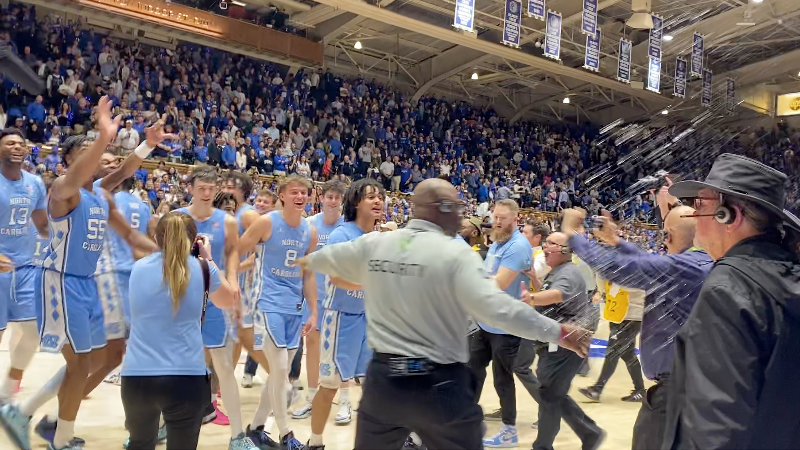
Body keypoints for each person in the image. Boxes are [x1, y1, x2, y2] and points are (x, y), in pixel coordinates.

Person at [293, 178, 590, 450]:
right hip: (438, 384)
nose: (462, 213)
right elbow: (499, 309)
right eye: (456, 205)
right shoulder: (454, 253)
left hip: (384, 383)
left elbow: (323, 261)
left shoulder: (377, 243)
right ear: (442, 209)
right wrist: (558, 332)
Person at [1, 97, 158, 450]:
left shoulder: (101, 195)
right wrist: (103, 136)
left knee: (99, 358)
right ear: (72, 160)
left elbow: (132, 234)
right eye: (88, 152)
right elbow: (79, 177)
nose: (99, 158)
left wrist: (176, 255)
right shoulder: (62, 190)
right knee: (80, 363)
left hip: (87, 286)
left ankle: (49, 427)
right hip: (59, 282)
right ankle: (58, 436)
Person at [663, 153, 800, 449]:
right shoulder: (785, 277)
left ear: (729, 216)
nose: (692, 213)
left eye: (700, 204)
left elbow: (716, 429)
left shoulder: (727, 290)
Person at [560, 203, 713, 450]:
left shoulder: (685, 268)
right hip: (692, 387)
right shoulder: (698, 264)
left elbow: (618, 268)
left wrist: (573, 235)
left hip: (677, 393)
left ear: (668, 235)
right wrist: (617, 242)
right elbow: (650, 262)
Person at [122, 212, 238, 450]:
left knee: (140, 443)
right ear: (195, 240)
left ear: (156, 238)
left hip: (136, 376)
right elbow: (228, 300)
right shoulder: (204, 270)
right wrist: (209, 259)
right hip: (186, 377)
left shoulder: (138, 268)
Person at [176, 166, 256, 449]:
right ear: (191, 188)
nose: (207, 192)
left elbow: (233, 252)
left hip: (215, 300)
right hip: (183, 301)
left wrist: (233, 281)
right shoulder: (176, 218)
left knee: (223, 368)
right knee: (176, 368)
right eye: (202, 187)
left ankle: (238, 437)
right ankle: (164, 425)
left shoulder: (227, 221)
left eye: (212, 187)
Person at [237, 174, 318, 450]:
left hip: (294, 309)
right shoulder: (267, 222)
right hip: (268, 304)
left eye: (304, 192)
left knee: (279, 374)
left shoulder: (309, 230)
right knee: (281, 371)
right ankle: (287, 435)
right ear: (282, 195)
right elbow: (236, 249)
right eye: (294, 191)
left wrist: (314, 312)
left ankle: (257, 428)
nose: (300, 196)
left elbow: (307, 275)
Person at [308, 178, 383, 449]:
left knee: (373, 387)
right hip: (340, 318)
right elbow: (338, 278)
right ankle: (315, 442)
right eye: (370, 196)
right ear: (355, 202)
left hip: (369, 319)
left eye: (380, 197)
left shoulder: (380, 236)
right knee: (329, 386)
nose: (378, 201)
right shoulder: (342, 234)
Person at [524, 231, 605, 450]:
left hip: (565, 343)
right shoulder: (559, 271)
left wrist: (528, 298)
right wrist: (533, 279)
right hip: (557, 341)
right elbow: (551, 295)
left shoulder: (568, 272)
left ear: (565, 250)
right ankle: (590, 433)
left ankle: (543, 445)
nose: (545, 246)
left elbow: (558, 294)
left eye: (551, 243)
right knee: (552, 393)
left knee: (549, 395)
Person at [468, 199, 532, 448]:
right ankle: (468, 419)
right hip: (486, 323)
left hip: (507, 326)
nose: (496, 222)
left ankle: (509, 430)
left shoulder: (517, 246)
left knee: (502, 379)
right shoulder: (497, 242)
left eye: (502, 218)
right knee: (472, 369)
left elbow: (499, 283)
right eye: (495, 217)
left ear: (515, 220)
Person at [0, 129, 48, 409]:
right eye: (9, 143)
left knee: (32, 331)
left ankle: (8, 391)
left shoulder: (34, 183)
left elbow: (42, 224)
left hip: (27, 266)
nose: (17, 146)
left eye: (20, 143)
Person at [291, 180, 345, 420]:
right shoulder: (310, 225)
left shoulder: (348, 228)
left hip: (341, 298)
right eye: (329, 196)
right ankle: (312, 397)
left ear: (342, 200)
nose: (332, 201)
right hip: (315, 298)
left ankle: (344, 401)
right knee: (312, 347)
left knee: (341, 352)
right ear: (321, 198)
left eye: (337, 197)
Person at [221, 173, 272, 387]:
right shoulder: (226, 212)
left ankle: (282, 382)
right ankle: (221, 388)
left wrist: (236, 269)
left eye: (232, 186)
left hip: (241, 288)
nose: (226, 187)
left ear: (244, 191)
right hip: (225, 285)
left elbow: (264, 253)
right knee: (232, 340)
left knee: (241, 339)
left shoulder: (247, 215)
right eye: (224, 183)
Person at [577, 273, 646, 402]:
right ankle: (640, 390)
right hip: (619, 314)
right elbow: (603, 286)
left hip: (629, 316)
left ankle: (597, 389)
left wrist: (607, 272)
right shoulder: (621, 266)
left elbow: (620, 285)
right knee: (628, 354)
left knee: (612, 351)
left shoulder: (634, 267)